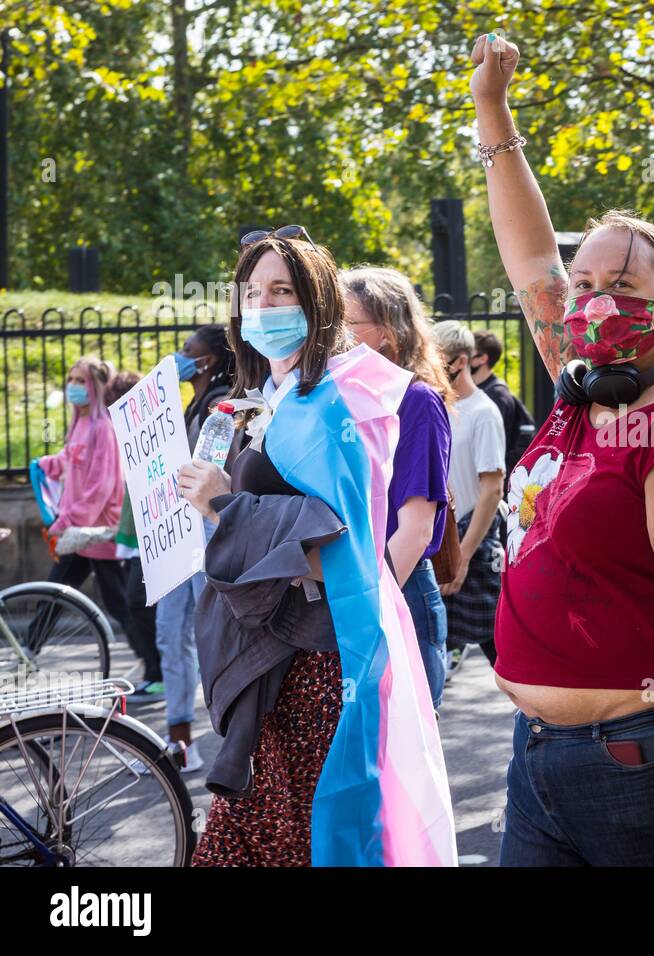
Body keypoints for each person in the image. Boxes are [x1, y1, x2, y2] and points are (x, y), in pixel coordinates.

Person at [473, 31, 654, 867]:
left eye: (623, 288)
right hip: (534, 763)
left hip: (641, 767)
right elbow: (530, 252)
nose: (595, 303)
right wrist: (493, 111)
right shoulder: (581, 383)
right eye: (587, 287)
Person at [179, 228, 454, 866]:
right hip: (271, 665)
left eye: (283, 291)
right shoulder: (274, 400)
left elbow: (343, 552)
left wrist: (226, 504)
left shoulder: (338, 406)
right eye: (254, 293)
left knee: (301, 839)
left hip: (316, 673)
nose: (266, 307)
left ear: (318, 304)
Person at [342, 266, 454, 709]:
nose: (333, 335)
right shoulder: (344, 397)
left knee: (403, 759)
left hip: (395, 590)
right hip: (358, 587)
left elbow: (416, 531)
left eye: (346, 324)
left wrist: (369, 607)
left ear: (387, 332)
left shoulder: (416, 400)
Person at [152, 324, 237, 773]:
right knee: (171, 633)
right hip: (174, 539)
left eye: (189, 350)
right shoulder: (190, 405)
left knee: (208, 635)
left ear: (209, 359)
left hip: (202, 536)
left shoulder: (221, 406)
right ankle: (179, 738)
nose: (181, 356)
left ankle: (226, 740)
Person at [432, 319, 506, 673]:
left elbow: (493, 489)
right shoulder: (435, 407)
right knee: (435, 646)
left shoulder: (484, 412)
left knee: (501, 653)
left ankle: (539, 720)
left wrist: (462, 555)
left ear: (461, 361)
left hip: (472, 543)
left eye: (437, 357)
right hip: (439, 537)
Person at [38, 356, 128, 635]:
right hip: (80, 532)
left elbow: (100, 486)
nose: (73, 386)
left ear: (96, 387)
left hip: (97, 531)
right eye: (71, 380)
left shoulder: (103, 428)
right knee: (54, 595)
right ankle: (28, 650)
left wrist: (66, 521)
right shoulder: (80, 423)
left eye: (81, 381)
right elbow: (71, 460)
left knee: (119, 604)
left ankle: (155, 667)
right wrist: (46, 464)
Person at [104, 370, 165, 706]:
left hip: (152, 535)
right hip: (137, 535)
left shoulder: (153, 434)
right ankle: (157, 672)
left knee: (135, 601)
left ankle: (159, 674)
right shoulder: (129, 436)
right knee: (132, 602)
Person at [471, 329, 535, 474]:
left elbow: (491, 445)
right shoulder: (484, 390)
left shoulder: (497, 395)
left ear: (482, 358)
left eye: (469, 352)